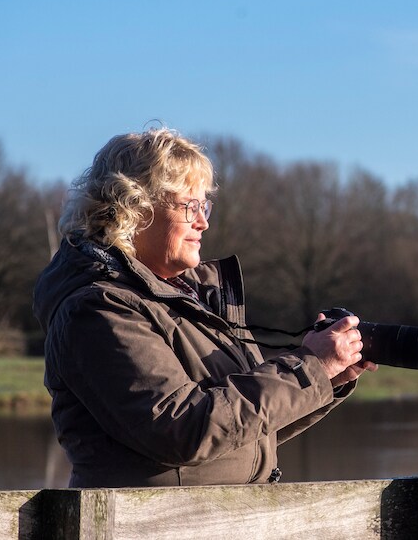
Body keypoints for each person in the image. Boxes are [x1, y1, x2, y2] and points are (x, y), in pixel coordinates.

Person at [33, 127, 375, 487]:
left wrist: (325, 378)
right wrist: (308, 369)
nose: (203, 221)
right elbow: (184, 429)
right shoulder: (98, 310)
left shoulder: (185, 300)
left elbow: (243, 432)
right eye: (189, 206)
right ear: (133, 208)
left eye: (204, 205)